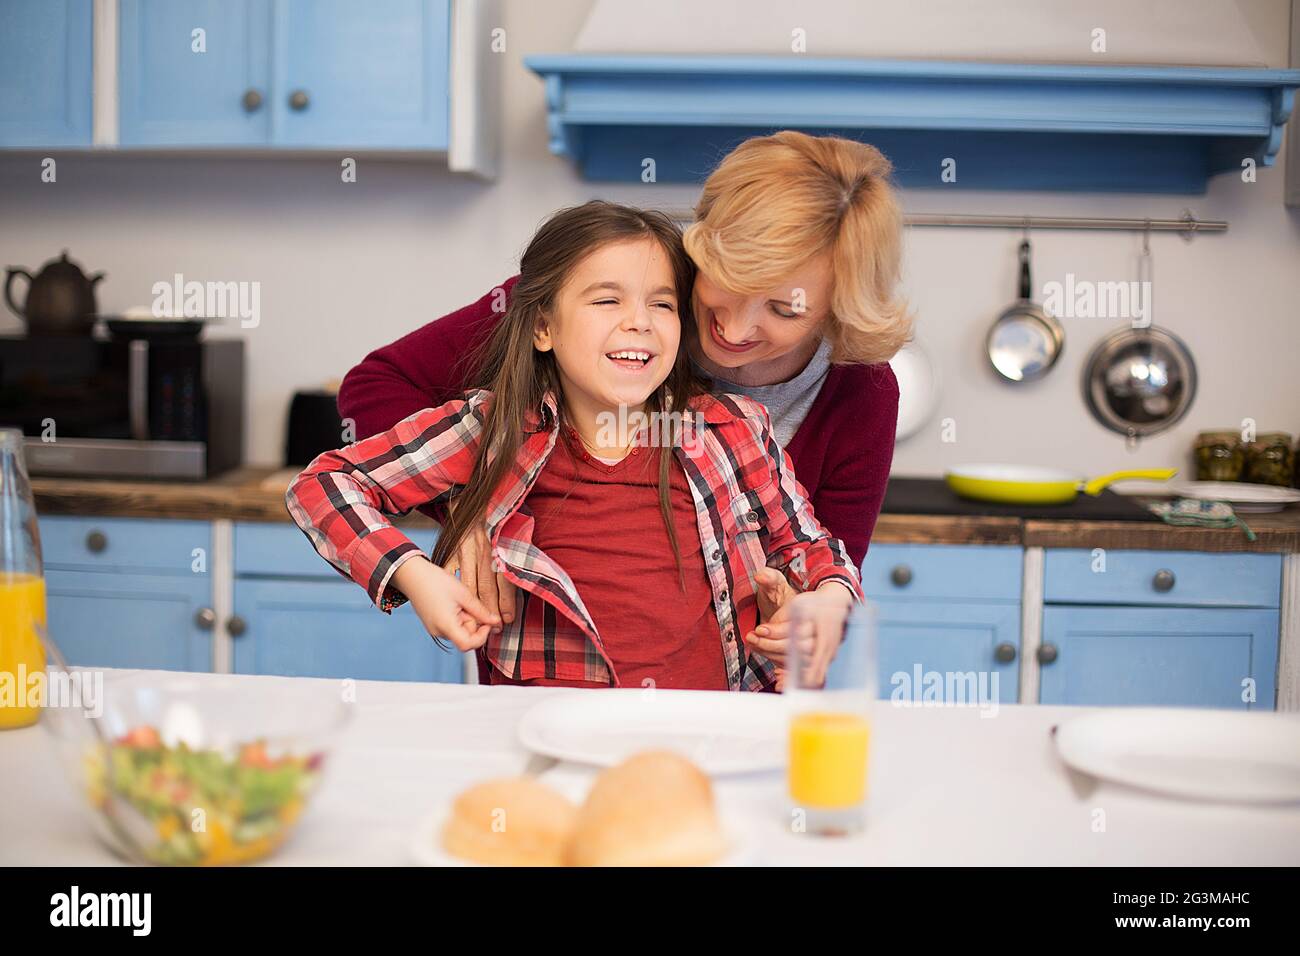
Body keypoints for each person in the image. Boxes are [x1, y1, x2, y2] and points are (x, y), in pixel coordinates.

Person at [337, 132, 911, 637]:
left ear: (834, 311)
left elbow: (826, 569)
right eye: (730, 282)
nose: (734, 328)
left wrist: (808, 613)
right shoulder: (597, 303)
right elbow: (379, 384)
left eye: (785, 310)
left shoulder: (862, 395)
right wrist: (471, 510)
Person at [287, 201, 863, 691]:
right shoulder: (492, 429)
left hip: (705, 733)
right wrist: (414, 573)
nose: (639, 322)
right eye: (606, 300)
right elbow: (322, 486)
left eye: (661, 304)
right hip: (543, 733)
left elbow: (812, 547)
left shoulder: (733, 429)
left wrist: (827, 599)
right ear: (543, 327)